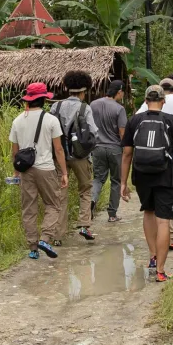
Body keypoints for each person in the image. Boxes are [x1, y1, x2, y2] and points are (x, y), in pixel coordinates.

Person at [121, 84, 173, 283]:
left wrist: (123, 182)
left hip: (141, 174)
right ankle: (161, 271)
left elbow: (127, 153)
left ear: (146, 101)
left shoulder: (135, 120)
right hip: (165, 174)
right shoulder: (172, 121)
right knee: (163, 221)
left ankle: (153, 257)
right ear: (163, 101)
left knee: (148, 212)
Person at [135, 78, 173, 251]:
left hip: (151, 159)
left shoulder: (148, 104)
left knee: (150, 208)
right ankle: (171, 236)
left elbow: (136, 121)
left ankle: (154, 246)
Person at [9, 82, 67, 259]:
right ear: (44, 100)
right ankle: (45, 238)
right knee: (54, 204)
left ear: (28, 99)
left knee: (29, 208)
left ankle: (33, 248)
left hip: (26, 170)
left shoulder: (17, 121)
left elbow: (14, 151)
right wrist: (64, 173)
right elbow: (58, 149)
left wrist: (16, 173)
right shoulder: (51, 120)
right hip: (46, 168)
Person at [50, 70, 100, 241]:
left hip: (59, 157)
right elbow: (94, 132)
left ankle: (58, 235)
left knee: (60, 194)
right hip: (80, 156)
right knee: (85, 189)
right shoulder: (85, 108)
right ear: (83, 91)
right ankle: (84, 225)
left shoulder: (55, 107)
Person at [89, 79, 128, 222]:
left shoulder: (93, 104)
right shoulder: (119, 109)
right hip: (114, 148)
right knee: (116, 181)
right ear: (119, 91)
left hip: (97, 147)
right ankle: (112, 214)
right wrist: (126, 150)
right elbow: (122, 132)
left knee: (98, 178)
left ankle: (92, 201)